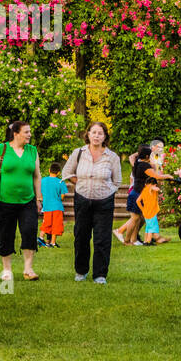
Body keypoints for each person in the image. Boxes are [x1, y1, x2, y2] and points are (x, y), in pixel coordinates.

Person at [59, 121, 122, 284]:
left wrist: (107, 192)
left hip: (104, 202)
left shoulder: (112, 157)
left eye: (100, 133)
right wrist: (79, 183)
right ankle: (81, 271)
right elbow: (66, 172)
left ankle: (100, 275)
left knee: (102, 239)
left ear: (105, 136)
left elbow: (117, 182)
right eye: (93, 132)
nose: (96, 136)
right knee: (81, 236)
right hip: (82, 199)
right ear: (88, 134)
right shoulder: (79, 153)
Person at [0, 121, 43, 282]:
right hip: (5, 201)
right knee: (5, 234)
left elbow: (37, 176)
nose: (29, 135)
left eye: (30, 131)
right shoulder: (2, 149)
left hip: (28, 201)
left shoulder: (32, 151)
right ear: (16, 133)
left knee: (30, 231)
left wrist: (39, 198)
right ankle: (7, 270)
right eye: (26, 132)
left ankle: (28, 269)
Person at [39, 161, 67, 248]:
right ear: (58, 172)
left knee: (47, 223)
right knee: (56, 224)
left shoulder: (43, 181)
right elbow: (62, 197)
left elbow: (41, 193)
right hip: (57, 207)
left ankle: (40, 237)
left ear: (49, 170)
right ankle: (53, 242)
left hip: (47, 206)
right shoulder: (60, 182)